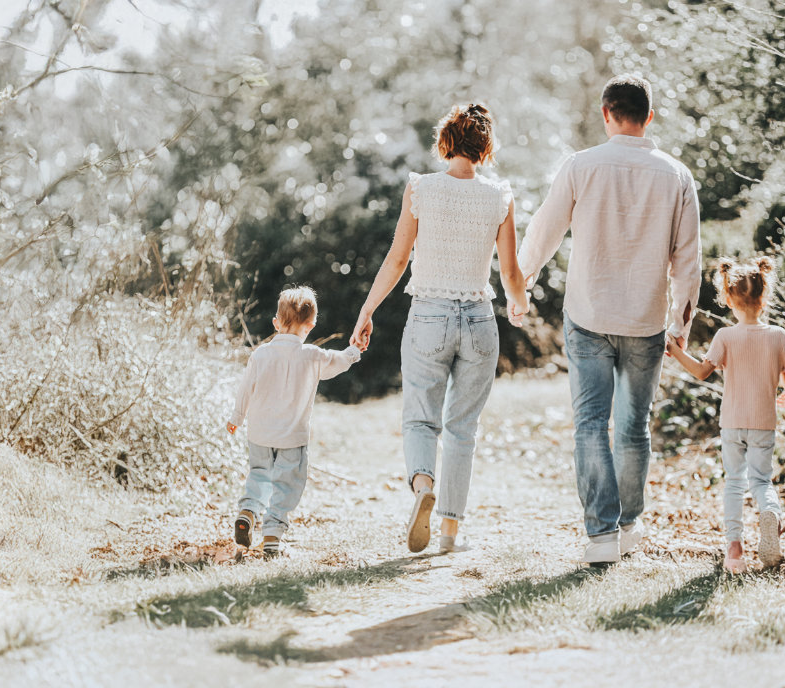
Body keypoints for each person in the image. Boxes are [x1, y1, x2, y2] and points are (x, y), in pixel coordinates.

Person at [516, 74, 702, 564]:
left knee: (590, 425)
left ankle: (600, 536)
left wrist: (522, 283)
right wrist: (682, 324)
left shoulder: (581, 166)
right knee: (634, 427)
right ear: (649, 117)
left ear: (605, 114)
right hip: (646, 319)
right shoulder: (677, 174)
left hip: (589, 313)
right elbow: (688, 259)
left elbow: (543, 232)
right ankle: (629, 526)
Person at [350, 103, 529, 554]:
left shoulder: (421, 189)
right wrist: (520, 303)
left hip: (428, 315)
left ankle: (423, 485)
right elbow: (509, 271)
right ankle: (449, 531)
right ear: (485, 147)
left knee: (419, 417)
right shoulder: (499, 196)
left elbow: (397, 259)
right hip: (479, 320)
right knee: (463, 427)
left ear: (445, 141)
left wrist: (366, 310)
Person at [666, 257, 785, 572]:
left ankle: (734, 549)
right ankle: (770, 513)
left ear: (728, 299)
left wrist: (677, 351)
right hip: (764, 423)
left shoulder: (725, 337)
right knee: (761, 480)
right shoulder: (777, 335)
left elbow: (701, 372)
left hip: (732, 424)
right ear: (765, 299)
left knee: (734, 483)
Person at [227, 286, 361, 558]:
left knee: (259, 475)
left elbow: (245, 389)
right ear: (311, 325)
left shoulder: (260, 355)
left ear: (276, 322)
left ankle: (249, 510)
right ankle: (273, 534)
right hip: (292, 438)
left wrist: (236, 418)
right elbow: (339, 361)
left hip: (260, 435)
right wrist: (354, 350)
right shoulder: (312, 356)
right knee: (287, 484)